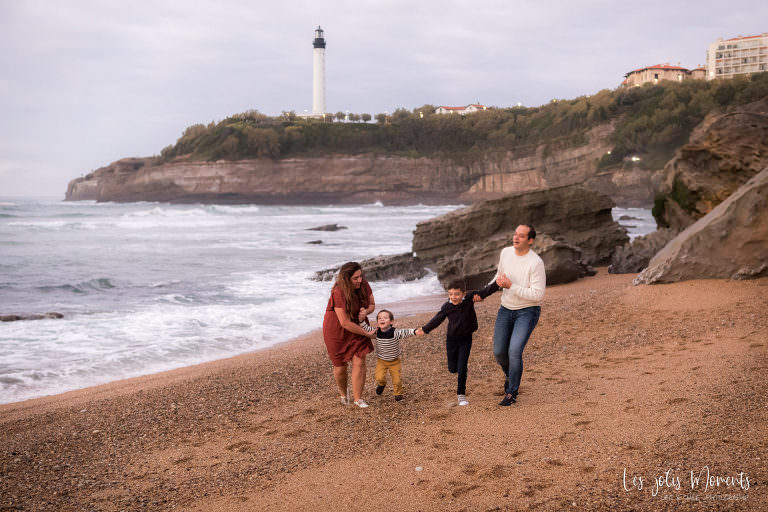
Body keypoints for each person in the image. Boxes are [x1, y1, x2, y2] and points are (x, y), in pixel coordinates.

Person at [417, 278, 499, 406]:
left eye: (456, 294)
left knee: (462, 368)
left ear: (464, 294)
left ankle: (461, 395)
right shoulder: (447, 307)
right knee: (452, 369)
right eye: (450, 294)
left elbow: (484, 292)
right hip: (452, 340)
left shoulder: (470, 298)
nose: (453, 297)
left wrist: (497, 283)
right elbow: (437, 319)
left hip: (466, 339)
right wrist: (425, 329)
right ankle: (458, 368)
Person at [492, 224, 546, 406]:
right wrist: (482, 293)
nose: (516, 238)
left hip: (527, 311)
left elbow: (538, 295)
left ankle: (511, 392)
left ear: (530, 240)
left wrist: (511, 287)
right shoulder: (506, 253)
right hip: (506, 308)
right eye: (515, 234)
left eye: (521, 236)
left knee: (514, 351)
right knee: (499, 352)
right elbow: (499, 277)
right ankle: (510, 375)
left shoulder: (535, 263)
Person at [322, 262, 376, 408]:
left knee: (360, 359)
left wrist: (367, 312)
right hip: (337, 330)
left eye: (361, 276)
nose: (360, 280)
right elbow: (345, 322)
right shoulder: (339, 292)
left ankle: (358, 399)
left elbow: (372, 304)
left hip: (358, 325)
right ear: (346, 279)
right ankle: (343, 394)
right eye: (356, 278)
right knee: (340, 367)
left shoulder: (364, 284)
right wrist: (367, 333)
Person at [359, 309, 423, 402]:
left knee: (397, 380)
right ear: (377, 322)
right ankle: (382, 384)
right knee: (379, 377)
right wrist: (361, 321)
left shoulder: (395, 332)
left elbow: (405, 332)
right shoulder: (376, 332)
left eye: (385, 318)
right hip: (381, 361)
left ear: (391, 321)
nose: (382, 319)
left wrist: (415, 331)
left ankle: (398, 394)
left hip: (394, 361)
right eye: (380, 318)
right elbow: (366, 328)